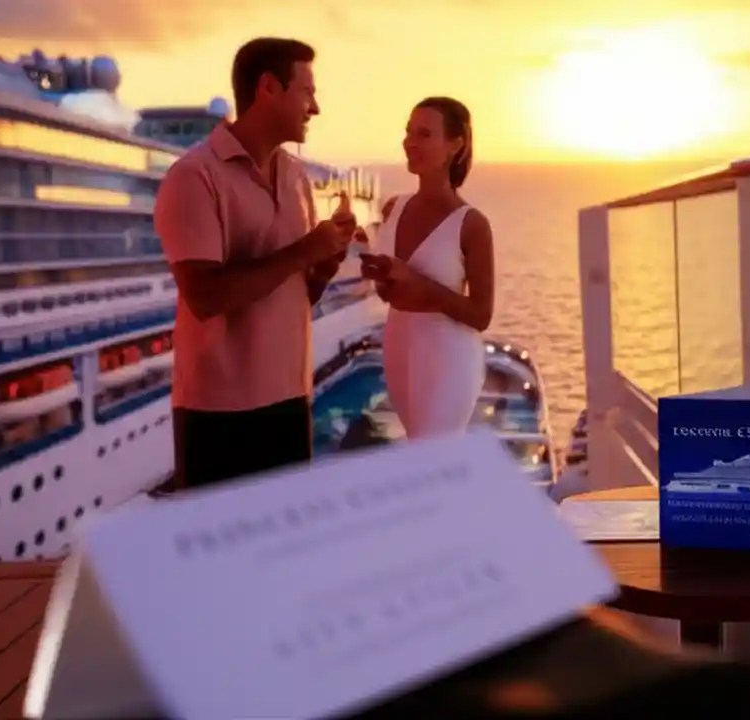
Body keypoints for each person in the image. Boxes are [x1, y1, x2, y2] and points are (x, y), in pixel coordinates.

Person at [154, 37, 357, 490]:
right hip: (218, 412)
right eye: (307, 91)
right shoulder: (194, 177)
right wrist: (305, 250)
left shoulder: (296, 176)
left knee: (284, 556)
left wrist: (324, 263)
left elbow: (295, 292)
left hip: (289, 399)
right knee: (221, 556)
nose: (316, 107)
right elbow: (205, 296)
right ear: (269, 87)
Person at [360, 96, 495, 439]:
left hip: (448, 358)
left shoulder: (471, 224)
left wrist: (415, 281)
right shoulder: (394, 208)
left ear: (455, 145)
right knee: (419, 455)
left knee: (435, 457)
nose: (410, 142)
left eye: (423, 134)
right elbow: (391, 295)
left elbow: (481, 315)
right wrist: (384, 276)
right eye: (408, 132)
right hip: (401, 350)